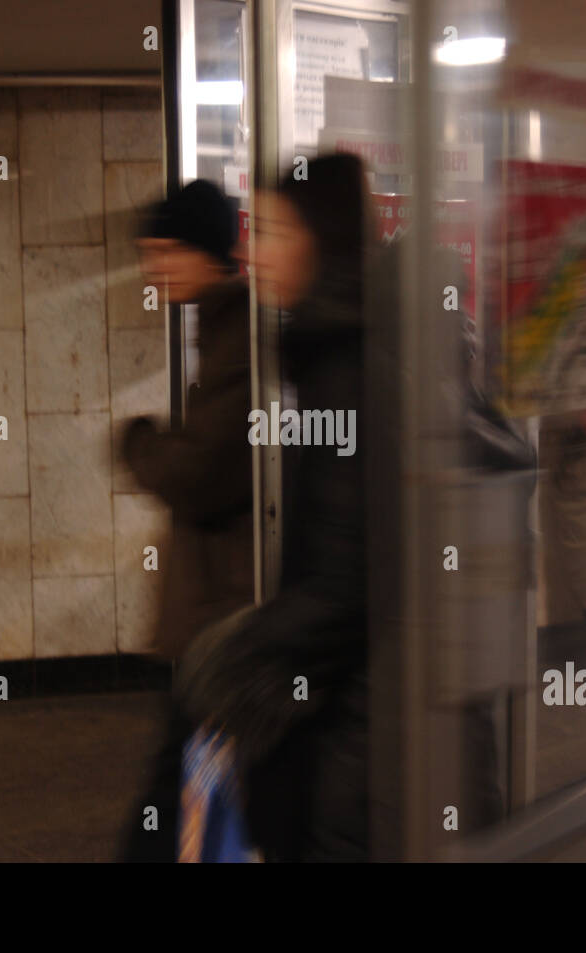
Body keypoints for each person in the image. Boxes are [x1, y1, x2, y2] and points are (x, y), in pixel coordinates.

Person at [173, 154, 374, 861]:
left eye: (271, 231)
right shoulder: (329, 351)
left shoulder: (347, 364)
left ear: (319, 238)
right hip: (341, 694)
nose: (249, 251)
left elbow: (347, 578)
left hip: (358, 714)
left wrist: (241, 653)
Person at [117, 179, 254, 861]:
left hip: (221, 617)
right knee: (183, 788)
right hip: (215, 613)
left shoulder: (240, 336)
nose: (154, 266)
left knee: (173, 793)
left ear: (209, 250)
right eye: (149, 251)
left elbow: (199, 473)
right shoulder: (223, 327)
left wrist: (138, 443)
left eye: (166, 249)